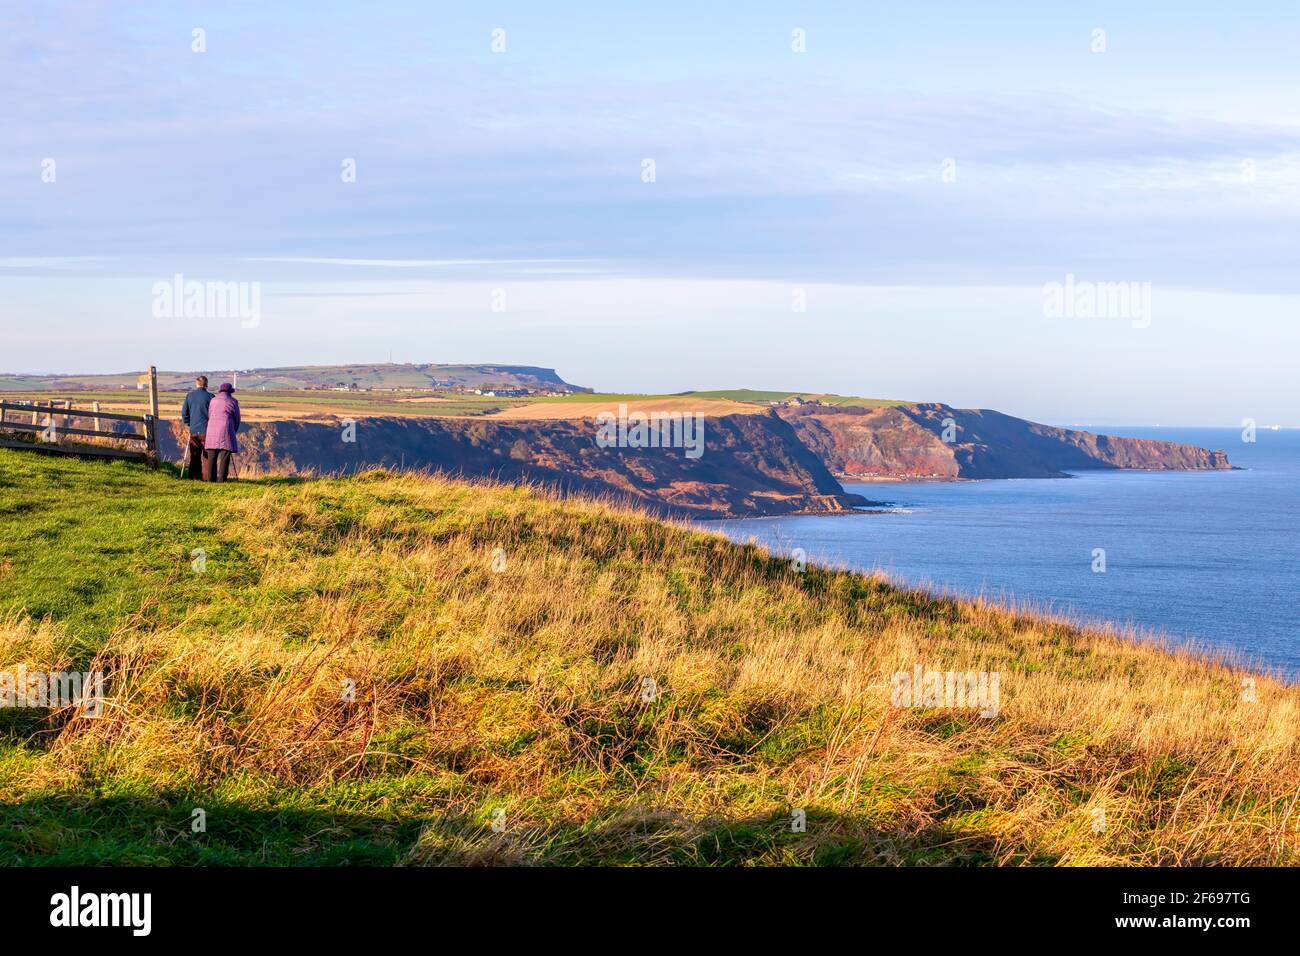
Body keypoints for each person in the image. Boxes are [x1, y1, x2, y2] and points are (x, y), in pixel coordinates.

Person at [203, 382, 241, 483]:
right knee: (225, 457)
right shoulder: (233, 401)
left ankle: (211, 480)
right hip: (226, 429)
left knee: (212, 456)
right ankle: (221, 480)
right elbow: (237, 418)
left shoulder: (213, 400)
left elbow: (210, 414)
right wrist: (233, 430)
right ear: (230, 391)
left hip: (212, 429)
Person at [179, 375, 213, 479]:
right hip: (207, 431)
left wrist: (189, 423)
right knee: (207, 457)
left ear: (196, 384)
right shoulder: (211, 397)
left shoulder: (189, 396)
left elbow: (184, 413)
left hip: (194, 430)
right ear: (206, 384)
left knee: (194, 455)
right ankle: (207, 478)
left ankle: (194, 477)